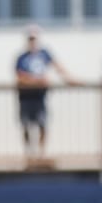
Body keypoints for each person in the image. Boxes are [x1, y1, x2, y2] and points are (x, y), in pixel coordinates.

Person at [14, 26, 75, 166]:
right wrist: (37, 81)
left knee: (43, 124)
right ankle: (29, 154)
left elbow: (59, 68)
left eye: (34, 38)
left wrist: (70, 79)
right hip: (25, 97)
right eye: (30, 39)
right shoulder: (21, 58)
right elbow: (20, 77)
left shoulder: (44, 54)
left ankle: (41, 154)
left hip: (40, 97)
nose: (32, 42)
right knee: (26, 126)